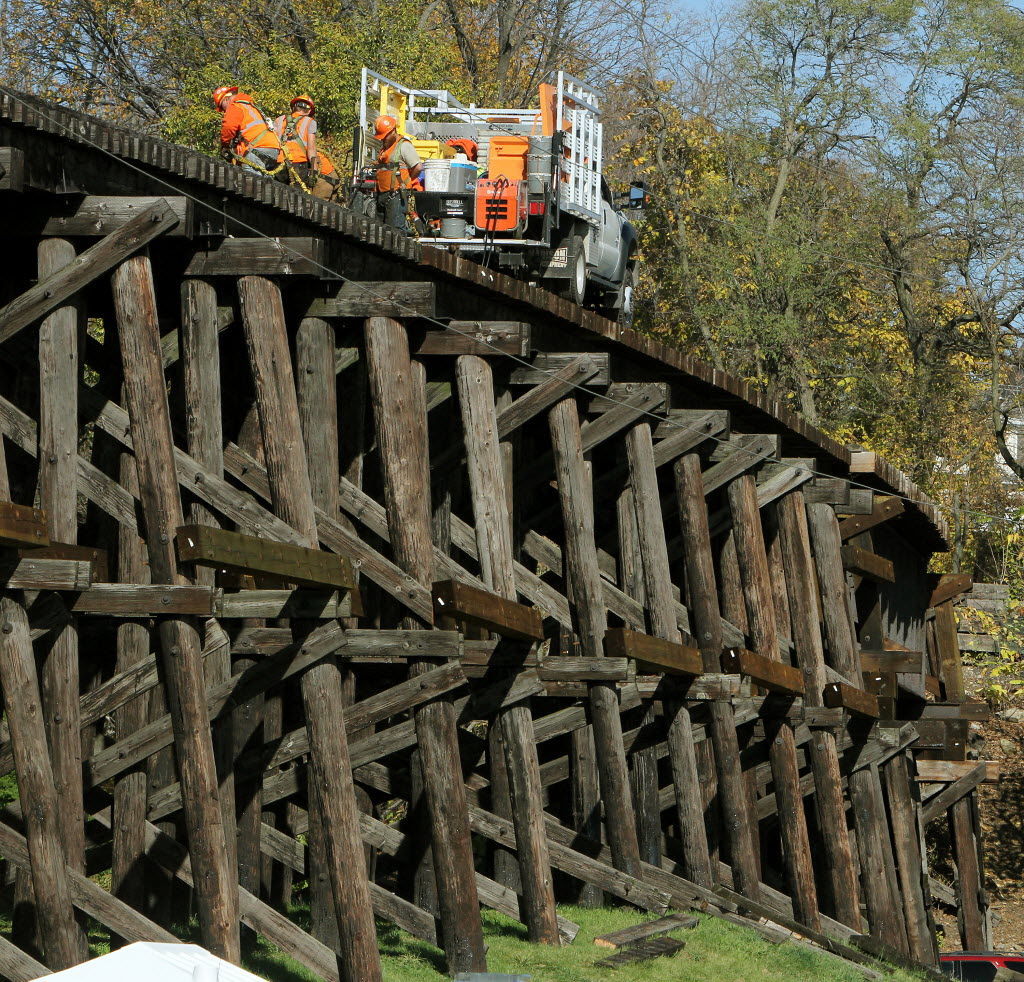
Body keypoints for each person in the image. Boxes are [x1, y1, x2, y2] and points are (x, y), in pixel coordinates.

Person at [212, 85, 285, 179]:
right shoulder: (251, 107)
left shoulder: (235, 106)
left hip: (258, 149)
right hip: (273, 150)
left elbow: (228, 128)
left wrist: (225, 144)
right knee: (266, 184)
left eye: (222, 107)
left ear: (226, 99)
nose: (223, 111)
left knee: (251, 182)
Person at [374, 114, 423, 227]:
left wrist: (407, 182)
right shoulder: (385, 148)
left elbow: (418, 167)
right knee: (380, 230)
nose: (382, 139)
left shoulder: (404, 146)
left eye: (385, 136)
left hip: (396, 195)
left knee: (395, 231)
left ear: (393, 131)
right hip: (382, 194)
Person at [274, 94, 320, 191]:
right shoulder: (310, 122)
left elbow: (273, 143)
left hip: (279, 164)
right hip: (298, 164)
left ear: (294, 107)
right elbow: (311, 149)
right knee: (298, 198)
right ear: (309, 110)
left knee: (279, 197)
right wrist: (314, 172)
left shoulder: (279, 120)